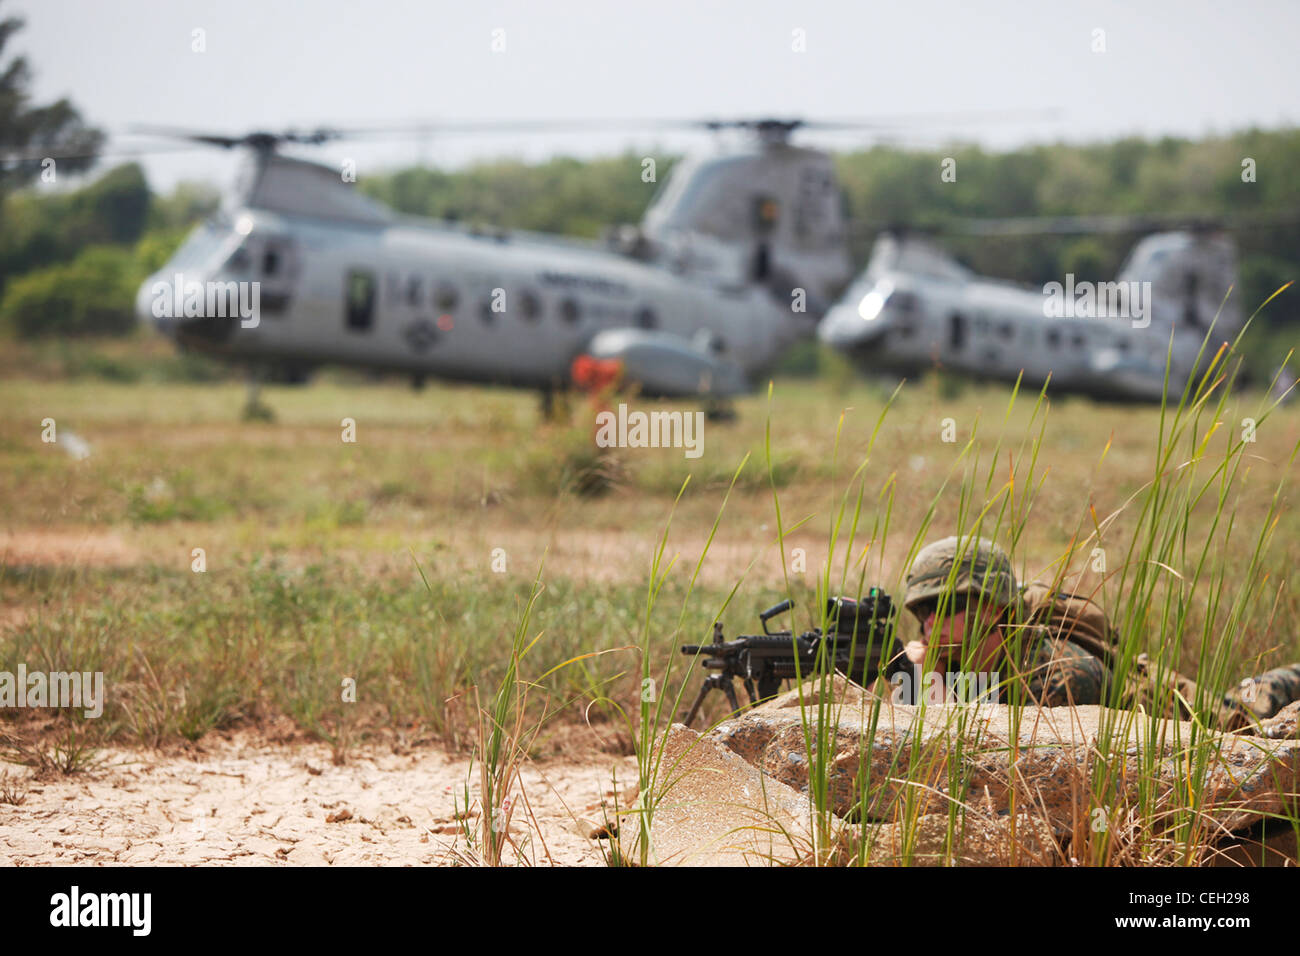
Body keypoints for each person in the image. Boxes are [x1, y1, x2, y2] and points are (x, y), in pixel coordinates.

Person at [899, 535, 1300, 733]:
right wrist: (921, 675)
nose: (931, 620)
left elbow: (1008, 744)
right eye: (922, 610)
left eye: (947, 605)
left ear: (994, 608)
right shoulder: (949, 660)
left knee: (1257, 714)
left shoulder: (1058, 673)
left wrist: (932, 685)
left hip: (1190, 721)